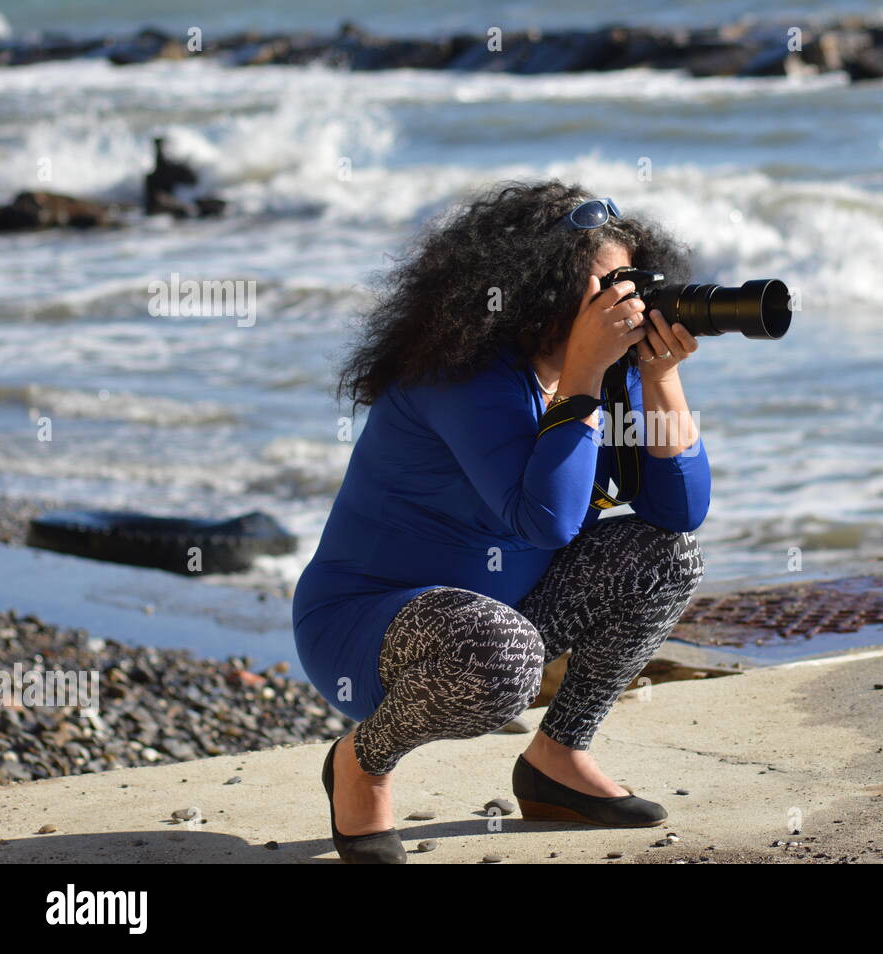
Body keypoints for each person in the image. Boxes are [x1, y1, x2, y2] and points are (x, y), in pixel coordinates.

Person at [292, 180, 710, 863]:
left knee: (667, 556)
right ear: (537, 291)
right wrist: (582, 378)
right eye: (607, 288)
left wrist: (660, 379)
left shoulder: (604, 373)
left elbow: (678, 512)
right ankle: (360, 762)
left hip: (500, 616)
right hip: (366, 625)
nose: (628, 304)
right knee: (502, 652)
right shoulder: (459, 376)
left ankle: (557, 758)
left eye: (633, 283)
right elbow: (545, 519)